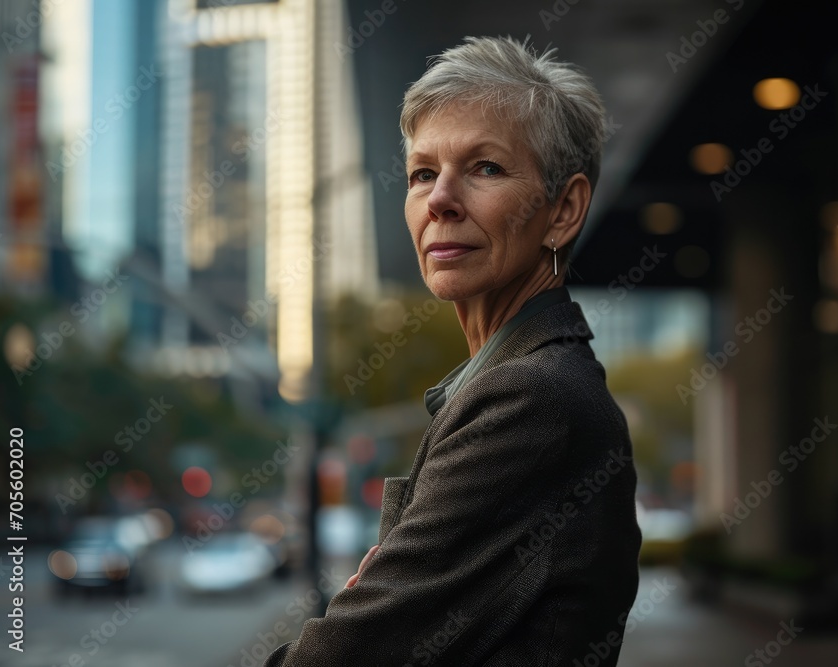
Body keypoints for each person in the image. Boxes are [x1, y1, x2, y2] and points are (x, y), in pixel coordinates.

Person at [264, 35, 641, 667]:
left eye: (486, 167)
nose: (439, 199)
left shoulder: (530, 399)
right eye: (422, 173)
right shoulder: (513, 379)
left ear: (564, 209)